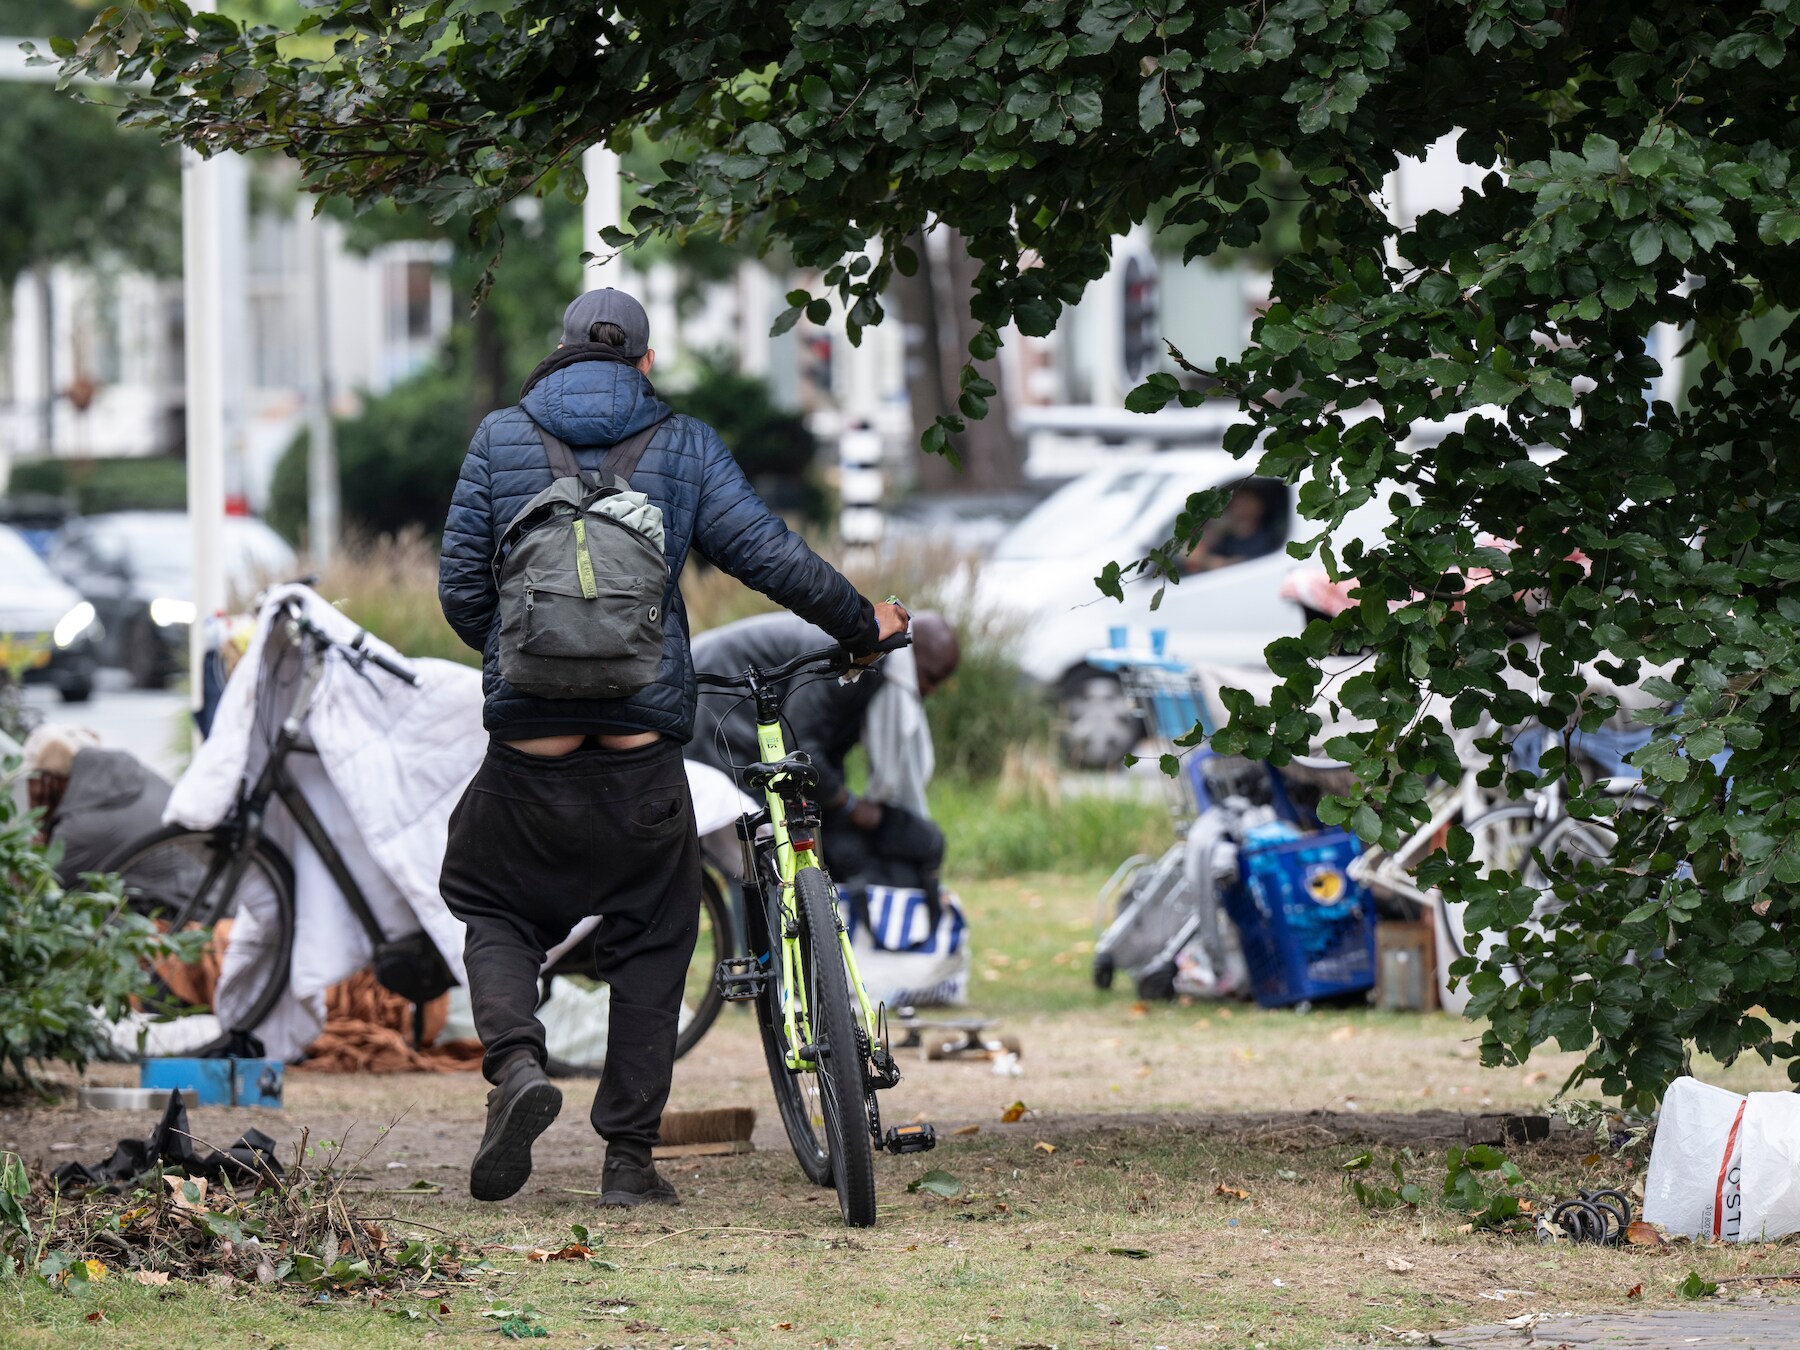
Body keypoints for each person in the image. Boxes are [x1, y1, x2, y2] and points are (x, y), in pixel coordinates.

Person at [437, 287, 907, 1209]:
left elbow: (460, 591)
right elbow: (770, 555)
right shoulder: (681, 443)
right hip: (640, 748)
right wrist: (861, 625)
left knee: (492, 901)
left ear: (561, 351)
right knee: (654, 934)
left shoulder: (500, 437)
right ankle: (627, 1162)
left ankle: (520, 1064)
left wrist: (521, 654)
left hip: (528, 743)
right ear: (643, 364)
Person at [688, 610, 960, 912]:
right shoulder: (851, 658)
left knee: (778, 851)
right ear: (912, 657)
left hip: (747, 713)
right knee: (760, 858)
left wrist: (839, 805)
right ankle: (760, 955)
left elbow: (829, 748)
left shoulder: (876, 665)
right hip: (714, 705)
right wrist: (848, 805)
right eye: (931, 677)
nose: (932, 690)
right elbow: (802, 749)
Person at [23, 724, 172, 885]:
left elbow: (43, 896)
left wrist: (44, 828)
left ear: (47, 782)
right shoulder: (140, 775)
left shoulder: (77, 830)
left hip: (169, 906)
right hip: (195, 892)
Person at [1182, 482, 1283, 573]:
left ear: (1260, 507)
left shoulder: (1264, 540)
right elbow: (1191, 552)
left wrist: (1205, 560)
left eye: (1247, 500)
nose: (1241, 505)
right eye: (1237, 500)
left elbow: (1239, 566)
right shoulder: (1225, 534)